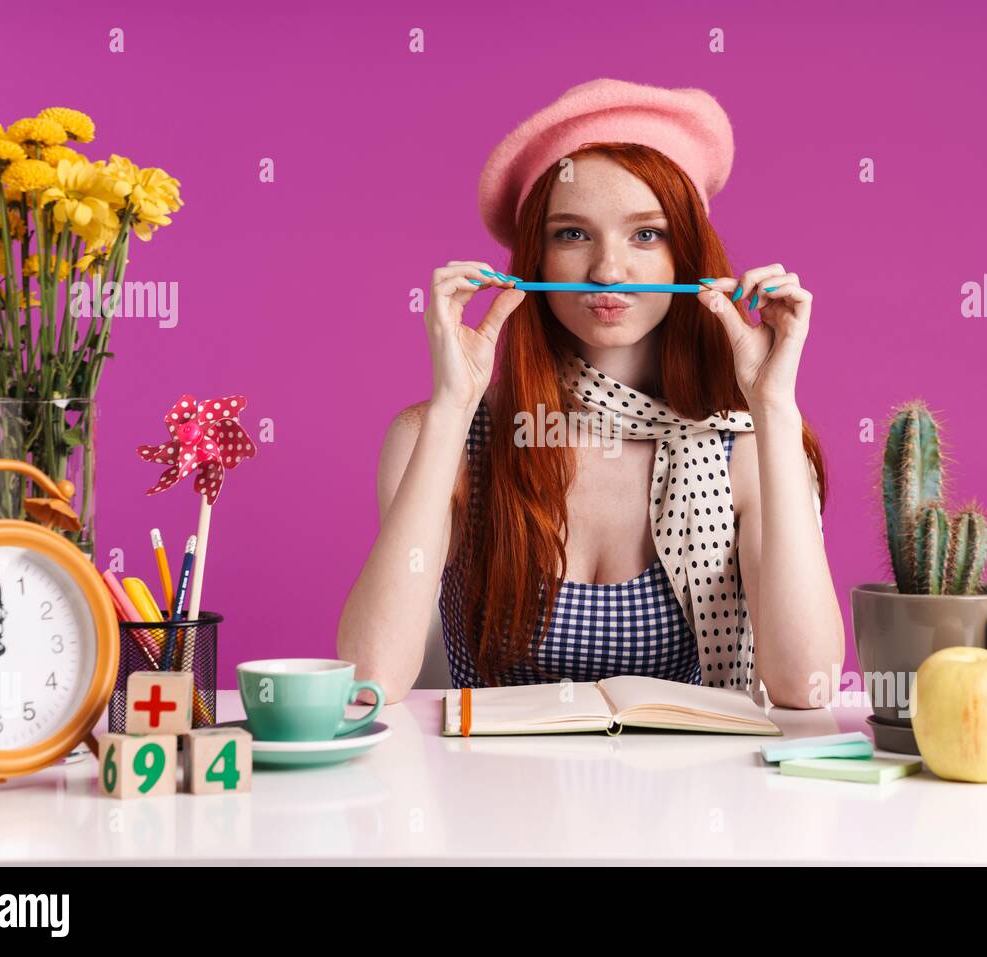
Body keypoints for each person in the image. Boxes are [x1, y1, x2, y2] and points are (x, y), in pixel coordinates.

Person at [338, 78, 844, 708]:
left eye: (646, 235)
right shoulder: (438, 437)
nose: (608, 270)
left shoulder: (745, 448)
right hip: (488, 798)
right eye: (572, 235)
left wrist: (772, 409)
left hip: (696, 798)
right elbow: (368, 677)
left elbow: (804, 685)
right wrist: (451, 407)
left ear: (687, 259)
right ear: (534, 262)